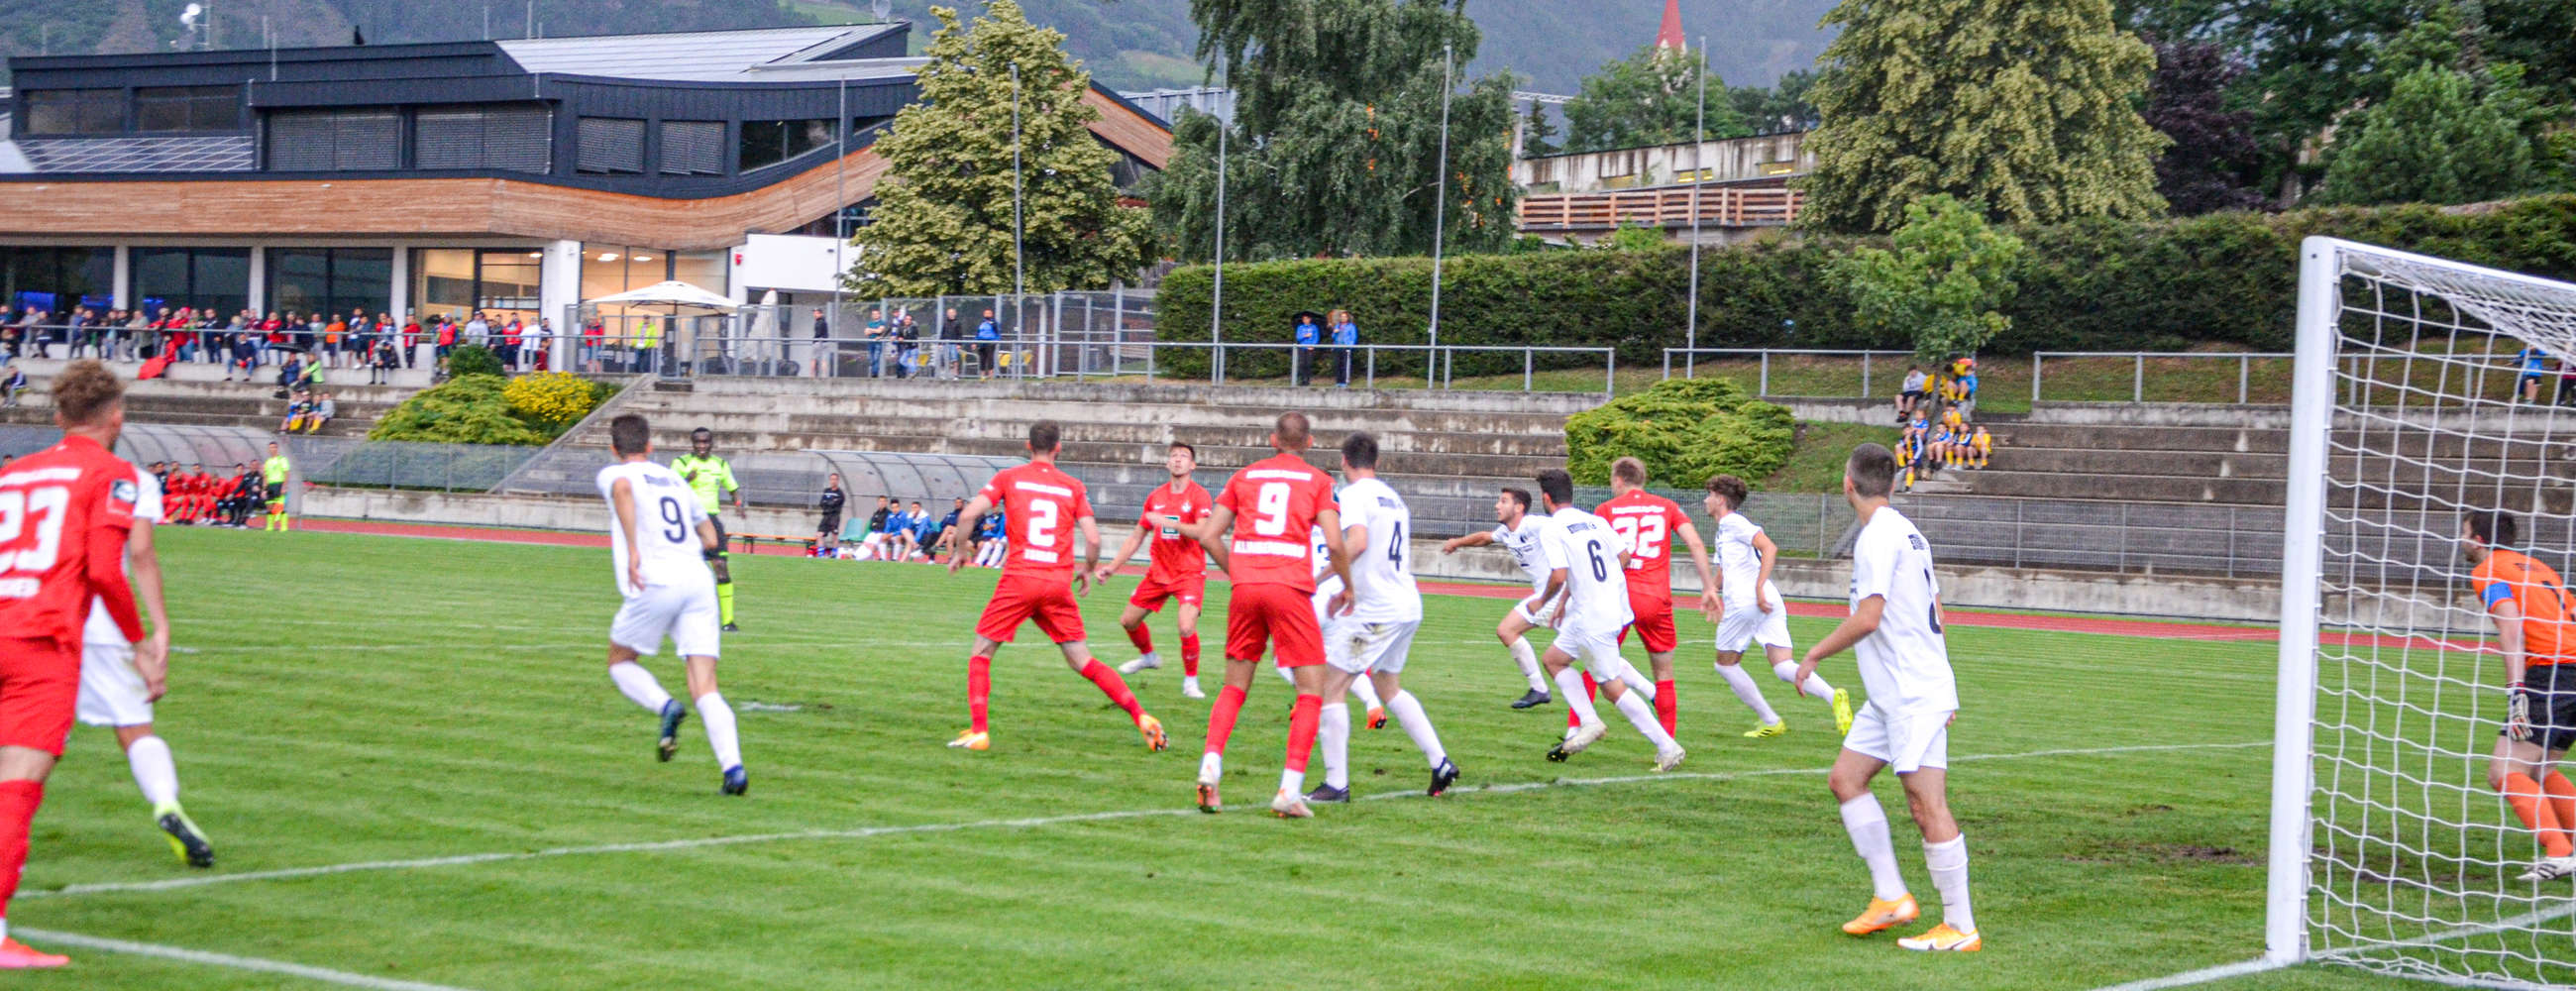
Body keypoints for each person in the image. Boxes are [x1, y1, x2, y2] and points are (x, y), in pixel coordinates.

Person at [0, 359, 156, 968]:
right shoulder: (113, 474)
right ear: (115, 417)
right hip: (40, 642)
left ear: (61, 417)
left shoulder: (13, 472)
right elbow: (103, 571)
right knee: (17, 784)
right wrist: (139, 642)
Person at [1794, 442, 1978, 952]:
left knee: (1926, 805)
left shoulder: (1878, 535)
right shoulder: (1909, 532)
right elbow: (1936, 609)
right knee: (1846, 779)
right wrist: (1944, 682)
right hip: (1896, 693)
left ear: (1847, 485)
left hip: (1910, 693)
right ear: (1892, 485)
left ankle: (1960, 926)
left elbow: (1869, 617)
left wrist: (1813, 655)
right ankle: (1891, 896)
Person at [939, 420, 1165, 754]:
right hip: (1057, 584)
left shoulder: (1009, 477)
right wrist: (1087, 570)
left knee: (982, 652)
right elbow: (1092, 539)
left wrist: (961, 552)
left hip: (1020, 579)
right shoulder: (1072, 486)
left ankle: (979, 731)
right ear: (1058, 447)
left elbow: (966, 517)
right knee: (1083, 660)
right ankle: (1141, 715)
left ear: (1028, 446)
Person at [1190, 411, 1352, 819]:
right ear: (1309, 442)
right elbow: (1335, 544)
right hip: (1290, 588)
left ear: (1272, 439)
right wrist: (1348, 586)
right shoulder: (1319, 481)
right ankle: (1289, 790)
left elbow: (1208, 535)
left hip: (1247, 588)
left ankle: (1210, 766)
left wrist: (1239, 573)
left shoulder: (1244, 476)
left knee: (1234, 686)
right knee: (1311, 690)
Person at [594, 414, 747, 796]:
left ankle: (666, 707)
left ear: (614, 449)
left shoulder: (614, 474)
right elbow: (709, 536)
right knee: (705, 685)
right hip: (697, 581)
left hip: (655, 580)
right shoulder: (675, 478)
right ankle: (734, 770)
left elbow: (624, 490)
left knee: (619, 660)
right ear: (650, 446)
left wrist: (634, 549)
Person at [75, 452, 213, 867]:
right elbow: (140, 553)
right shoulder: (131, 478)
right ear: (116, 421)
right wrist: (158, 629)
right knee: (135, 727)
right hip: (101, 622)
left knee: (28, 741)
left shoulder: (24, 473)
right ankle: (166, 802)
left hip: (29, 615)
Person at [1306, 432, 1456, 804]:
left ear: (1344, 460)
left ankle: (1336, 784)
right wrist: (1348, 586)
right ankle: (1440, 762)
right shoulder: (1393, 497)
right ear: (1375, 461)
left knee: (1330, 686)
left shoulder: (1352, 494)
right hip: (1407, 603)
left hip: (1378, 609)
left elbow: (1356, 543)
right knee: (1389, 687)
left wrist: (1323, 579)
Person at [1531, 468, 1685, 771]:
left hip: (1592, 616)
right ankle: (1589, 721)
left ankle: (1668, 747)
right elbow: (1624, 557)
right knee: (1553, 660)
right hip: (1612, 609)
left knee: (1612, 687)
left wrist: (1542, 601)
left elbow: (1559, 575)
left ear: (1546, 498)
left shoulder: (1552, 528)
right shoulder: (1595, 521)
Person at [2460, 509, 2576, 882]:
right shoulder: (2540, 568)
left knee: (2504, 771)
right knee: (2541, 770)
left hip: (2551, 673)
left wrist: (2517, 692)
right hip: (2572, 670)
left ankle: (2558, 852)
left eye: (2464, 533)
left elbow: (2510, 628)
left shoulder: (2489, 569)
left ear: (2478, 540)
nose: (2461, 541)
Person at [1704, 474, 1850, 738]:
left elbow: (1769, 548)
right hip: (1767, 599)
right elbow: (1725, 570)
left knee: (1725, 665)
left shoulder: (1733, 522)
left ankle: (1770, 720)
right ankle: (1833, 696)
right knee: (1783, 666)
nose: (1706, 500)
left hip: (1747, 600)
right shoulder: (1725, 530)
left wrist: (1758, 587)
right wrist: (1712, 590)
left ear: (1721, 499)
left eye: (1710, 495)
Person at [1591, 457, 1716, 739]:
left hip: (1618, 597)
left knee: (1595, 662)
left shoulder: (1606, 509)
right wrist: (1709, 586)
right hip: (1655, 597)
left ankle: (1578, 725)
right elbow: (1695, 543)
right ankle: (1667, 743)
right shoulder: (1667, 506)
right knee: (1664, 674)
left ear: (1618, 480)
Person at [1104, 443, 1214, 699]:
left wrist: (1166, 522)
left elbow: (1203, 532)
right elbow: (1136, 537)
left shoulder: (1199, 496)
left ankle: (1191, 682)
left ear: (1192, 465)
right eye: (1173, 456)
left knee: (1186, 626)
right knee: (1128, 621)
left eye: (1184, 456)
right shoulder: (1156, 497)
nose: (1178, 460)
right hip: (1159, 572)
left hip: (1188, 573)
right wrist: (1112, 567)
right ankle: (1149, 657)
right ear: (1167, 463)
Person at [1439, 487, 1557, 709]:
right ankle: (1539, 689)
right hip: (1549, 596)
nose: (1497, 506)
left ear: (1519, 507)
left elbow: (1562, 527)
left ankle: (1540, 689)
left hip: (1555, 594)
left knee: (1508, 630)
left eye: (1503, 501)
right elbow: (1484, 538)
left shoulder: (1534, 524)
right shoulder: (1506, 531)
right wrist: (1457, 543)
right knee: (1593, 652)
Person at [670, 428, 744, 631]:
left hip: (711, 520)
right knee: (684, 571)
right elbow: (669, 489)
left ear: (711, 443)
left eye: (705, 442)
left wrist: (738, 504)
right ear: (692, 443)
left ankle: (728, 621)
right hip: (688, 520)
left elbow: (733, 488)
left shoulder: (720, 464)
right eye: (698, 442)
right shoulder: (681, 463)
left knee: (721, 566)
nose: (702, 446)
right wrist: (687, 479)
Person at [262, 441, 291, 532]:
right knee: (269, 506)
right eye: (271, 447)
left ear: (277, 448)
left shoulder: (282, 459)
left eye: (274, 447)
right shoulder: (268, 462)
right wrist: (264, 489)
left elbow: (287, 473)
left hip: (279, 484)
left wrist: (284, 486)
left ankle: (284, 527)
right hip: (270, 485)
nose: (273, 449)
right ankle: (270, 527)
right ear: (268, 449)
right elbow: (265, 476)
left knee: (279, 507)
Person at [815, 473, 846, 551]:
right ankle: (821, 554)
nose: (833, 481)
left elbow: (834, 504)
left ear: (838, 481)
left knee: (834, 535)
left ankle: (835, 554)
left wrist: (829, 502)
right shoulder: (826, 491)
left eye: (835, 479)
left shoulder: (840, 493)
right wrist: (829, 503)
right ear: (830, 480)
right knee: (819, 534)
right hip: (826, 516)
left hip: (834, 517)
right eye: (832, 479)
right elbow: (822, 503)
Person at [1329, 309, 1357, 387]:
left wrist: (1349, 346)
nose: (1343, 318)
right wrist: (1335, 332)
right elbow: (1333, 337)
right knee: (1338, 364)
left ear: (1347, 318)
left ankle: (1345, 382)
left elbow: (1354, 337)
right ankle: (1338, 381)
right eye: (1342, 317)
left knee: (1345, 365)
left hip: (1346, 348)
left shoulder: (1351, 326)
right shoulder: (1337, 325)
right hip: (1337, 347)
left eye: (1345, 317)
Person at [1291, 313, 1320, 386]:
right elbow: (1298, 338)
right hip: (1302, 347)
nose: (1305, 320)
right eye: (1304, 319)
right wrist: (1305, 336)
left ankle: (1308, 379)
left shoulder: (1314, 327)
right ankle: (1302, 379)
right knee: (1302, 364)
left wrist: (1313, 345)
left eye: (1307, 319)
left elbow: (1316, 337)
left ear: (1310, 319)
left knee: (1308, 364)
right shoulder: (1300, 327)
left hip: (1310, 348)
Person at [937, 307, 965, 380]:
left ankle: (955, 375)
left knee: (954, 359)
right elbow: (942, 333)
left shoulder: (957, 323)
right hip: (945, 344)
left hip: (954, 344)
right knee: (945, 359)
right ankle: (944, 374)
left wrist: (959, 344)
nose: (950, 314)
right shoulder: (945, 323)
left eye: (952, 313)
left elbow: (960, 334)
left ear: (955, 313)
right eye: (949, 313)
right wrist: (940, 343)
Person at [974, 309, 1000, 381]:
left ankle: (990, 376)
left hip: (990, 343)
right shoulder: (981, 322)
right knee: (982, 359)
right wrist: (975, 342)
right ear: (984, 314)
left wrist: (996, 341)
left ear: (991, 314)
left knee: (990, 358)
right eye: (986, 313)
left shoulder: (994, 323)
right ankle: (982, 376)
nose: (987, 315)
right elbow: (977, 333)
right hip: (981, 343)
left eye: (989, 313)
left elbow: (998, 333)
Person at [809, 308, 832, 379]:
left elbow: (818, 333)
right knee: (824, 359)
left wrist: (814, 340)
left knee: (813, 359)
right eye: (814, 313)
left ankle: (812, 375)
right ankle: (824, 375)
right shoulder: (825, 322)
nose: (814, 315)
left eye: (816, 313)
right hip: (825, 342)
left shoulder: (818, 322)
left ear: (821, 314)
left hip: (818, 342)